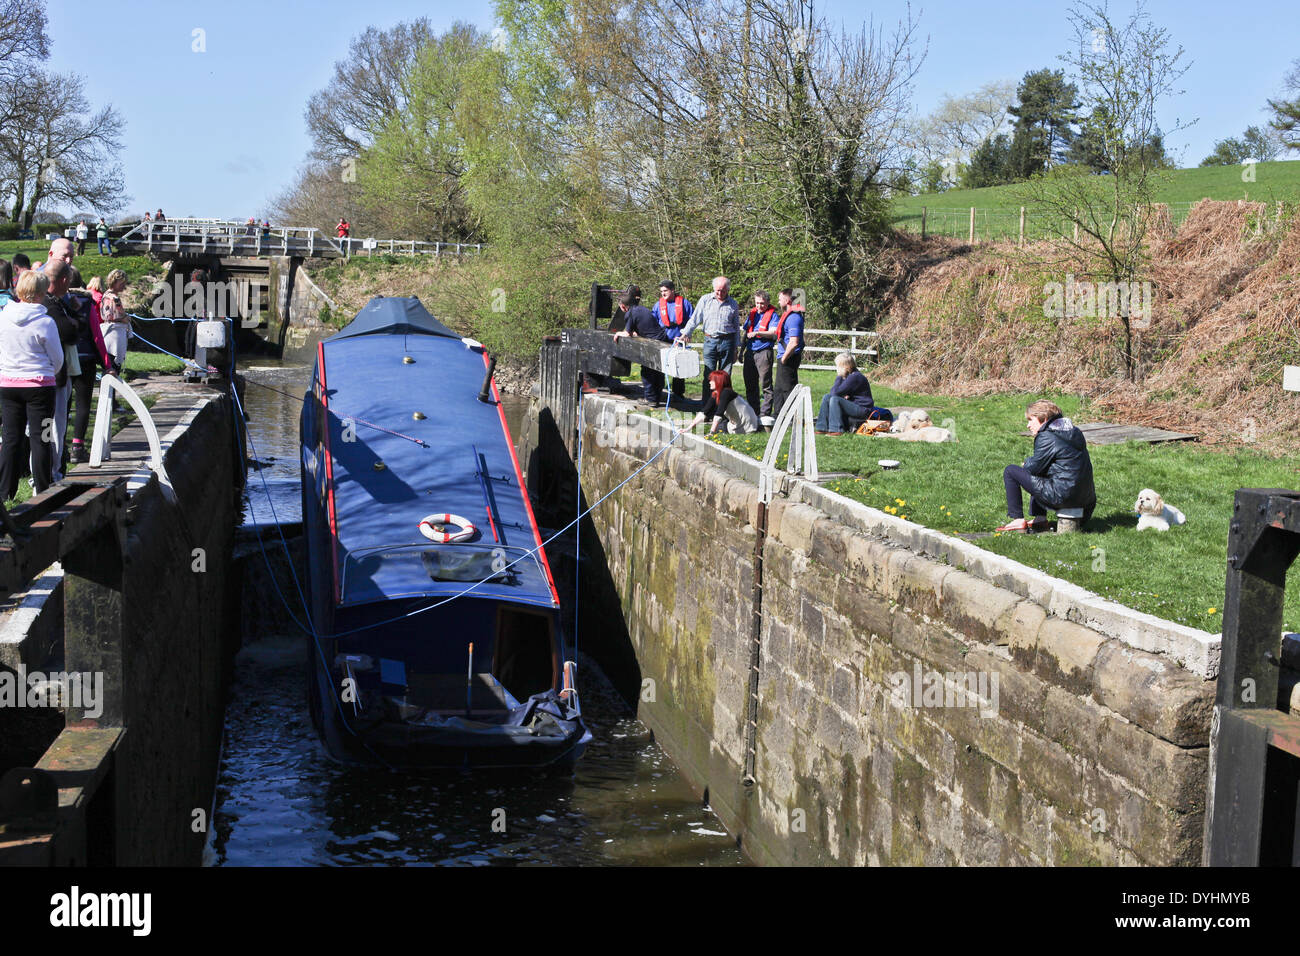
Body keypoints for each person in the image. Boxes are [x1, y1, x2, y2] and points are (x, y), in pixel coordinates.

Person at [0, 270, 63, 499]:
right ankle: (43, 491)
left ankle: (5, 492)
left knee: (10, 438)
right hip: (40, 388)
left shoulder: (3, 317)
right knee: (42, 438)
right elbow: (57, 359)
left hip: (8, 386)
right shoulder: (45, 322)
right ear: (41, 293)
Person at [997, 399, 1097, 532]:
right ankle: (1040, 519)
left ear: (1043, 419)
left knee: (1011, 471)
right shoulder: (1074, 431)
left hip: (1063, 495)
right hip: (1086, 498)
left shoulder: (1046, 436)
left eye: (1030, 420)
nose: (1028, 425)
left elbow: (1035, 468)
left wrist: (1026, 463)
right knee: (1043, 471)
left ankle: (1017, 519)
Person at [42, 259, 84, 480]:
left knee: (46, 428)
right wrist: (75, 320)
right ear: (64, 280)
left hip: (43, 377)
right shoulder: (50, 304)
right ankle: (51, 474)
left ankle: (47, 473)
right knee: (53, 428)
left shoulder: (57, 302)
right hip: (54, 377)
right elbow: (69, 333)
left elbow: (76, 328)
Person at [678, 276, 740, 399]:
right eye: (717, 290)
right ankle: (707, 406)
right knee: (709, 374)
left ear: (728, 289)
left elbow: (736, 327)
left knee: (725, 376)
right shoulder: (705, 300)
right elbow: (695, 319)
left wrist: (736, 348)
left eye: (723, 290)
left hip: (727, 341)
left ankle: (723, 406)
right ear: (713, 288)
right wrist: (686, 333)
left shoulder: (733, 304)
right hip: (710, 341)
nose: (720, 293)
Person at [612, 284, 669, 405]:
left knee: (647, 371)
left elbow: (627, 333)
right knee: (658, 371)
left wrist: (618, 333)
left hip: (654, 343)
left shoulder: (630, 314)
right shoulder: (642, 309)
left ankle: (650, 399)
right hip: (663, 339)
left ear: (623, 306)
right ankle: (657, 397)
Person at [815, 352, 887, 434]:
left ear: (845, 367)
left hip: (863, 409)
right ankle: (822, 427)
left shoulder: (855, 377)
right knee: (826, 397)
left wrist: (839, 376)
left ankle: (836, 429)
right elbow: (835, 393)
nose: (837, 368)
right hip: (855, 404)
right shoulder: (850, 375)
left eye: (838, 366)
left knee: (835, 399)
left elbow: (835, 393)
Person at [680, 370, 760, 435]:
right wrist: (687, 428)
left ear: (719, 381)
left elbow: (718, 415)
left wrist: (711, 433)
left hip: (746, 427)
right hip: (742, 423)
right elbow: (704, 412)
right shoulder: (717, 393)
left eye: (712, 380)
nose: (709, 382)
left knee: (719, 427)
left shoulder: (726, 393)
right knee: (721, 425)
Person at [651, 280, 692, 399]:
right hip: (663, 339)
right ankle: (658, 392)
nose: (663, 293)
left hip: (679, 339)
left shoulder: (684, 303)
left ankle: (678, 394)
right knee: (659, 366)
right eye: (661, 291)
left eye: (665, 291)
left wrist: (688, 333)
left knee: (679, 366)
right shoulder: (657, 305)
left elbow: (692, 320)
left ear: (672, 290)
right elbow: (652, 321)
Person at [741, 289, 779, 418]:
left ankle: (764, 414)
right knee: (750, 383)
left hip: (764, 352)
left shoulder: (773, 315)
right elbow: (745, 334)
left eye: (762, 303)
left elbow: (774, 333)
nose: (759, 306)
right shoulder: (752, 314)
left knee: (765, 384)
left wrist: (758, 333)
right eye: (757, 303)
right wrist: (741, 351)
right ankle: (753, 412)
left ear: (768, 302)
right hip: (750, 352)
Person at [770, 288, 805, 418]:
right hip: (784, 356)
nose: (778, 300)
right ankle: (778, 415)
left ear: (788, 300)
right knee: (779, 388)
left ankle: (792, 417)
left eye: (780, 298)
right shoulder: (788, 315)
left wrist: (784, 358)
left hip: (789, 357)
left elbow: (794, 341)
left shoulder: (794, 318)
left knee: (788, 388)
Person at [99, 269, 129, 374]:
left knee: (108, 367)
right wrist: (125, 318)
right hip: (114, 336)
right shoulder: (114, 298)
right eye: (122, 283)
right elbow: (114, 316)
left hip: (109, 335)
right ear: (114, 282)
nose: (124, 286)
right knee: (113, 368)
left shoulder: (105, 295)